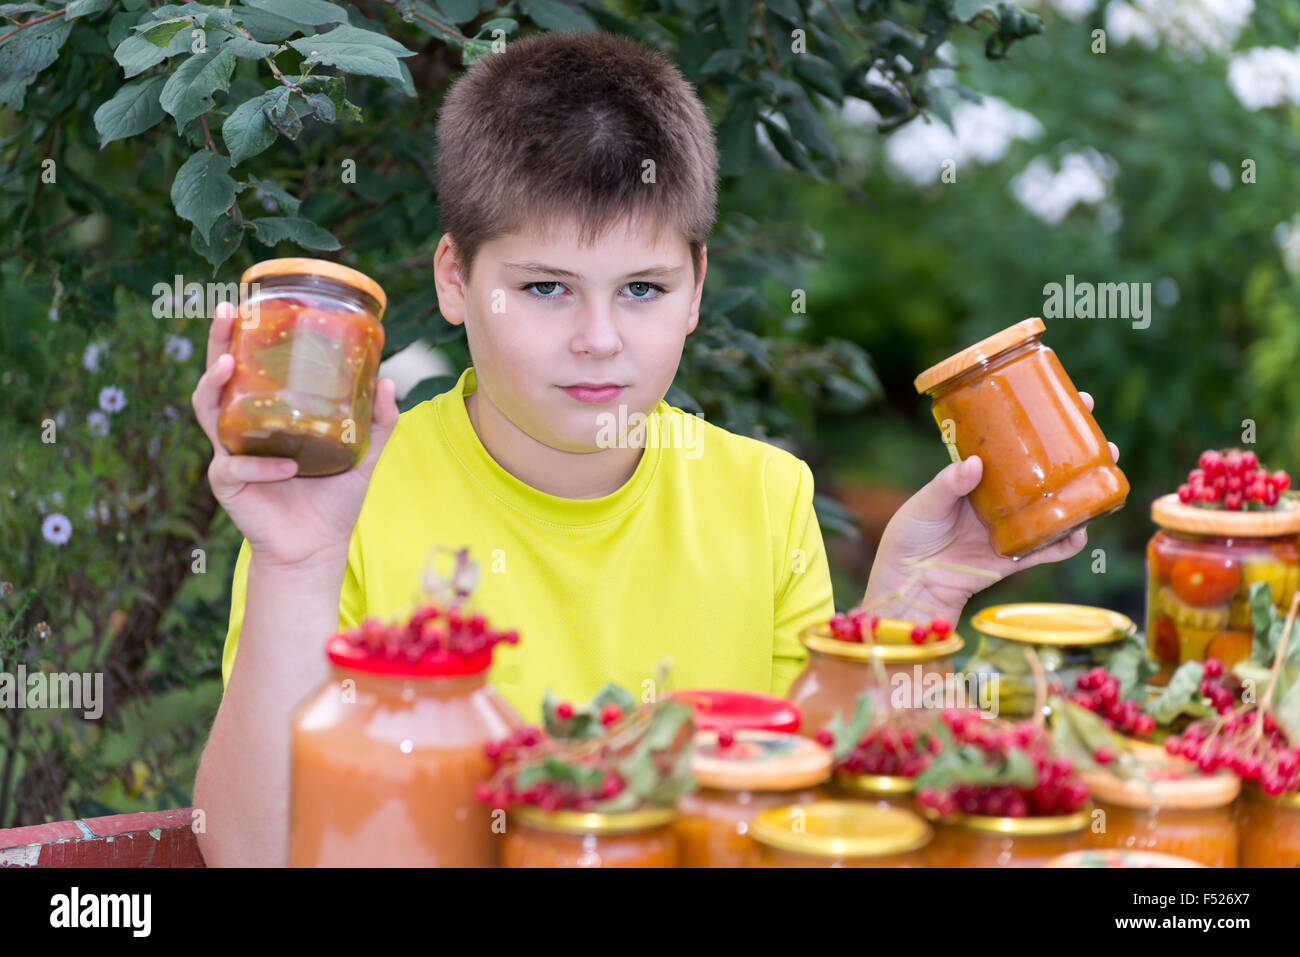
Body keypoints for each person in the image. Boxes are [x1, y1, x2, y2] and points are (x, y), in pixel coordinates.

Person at [190, 30, 1118, 866]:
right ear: (455, 280)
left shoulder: (765, 496)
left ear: (697, 286)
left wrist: (907, 610)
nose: (600, 338)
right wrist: (296, 563)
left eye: (641, 289)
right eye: (547, 288)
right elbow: (253, 854)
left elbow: (815, 824)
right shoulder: (346, 505)